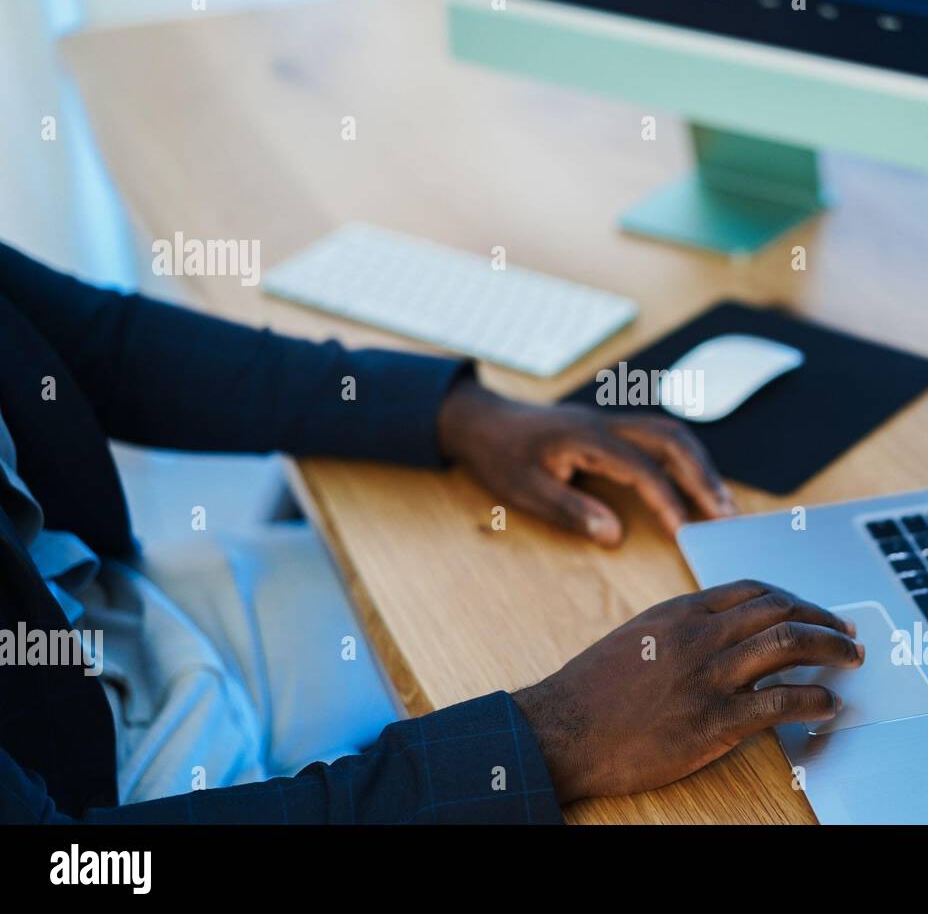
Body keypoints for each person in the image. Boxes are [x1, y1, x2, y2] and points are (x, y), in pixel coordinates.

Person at [0, 241, 862, 823]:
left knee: (478, 593)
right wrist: (549, 740)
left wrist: (456, 414)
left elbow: (99, 343)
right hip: (95, 802)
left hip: (103, 619)